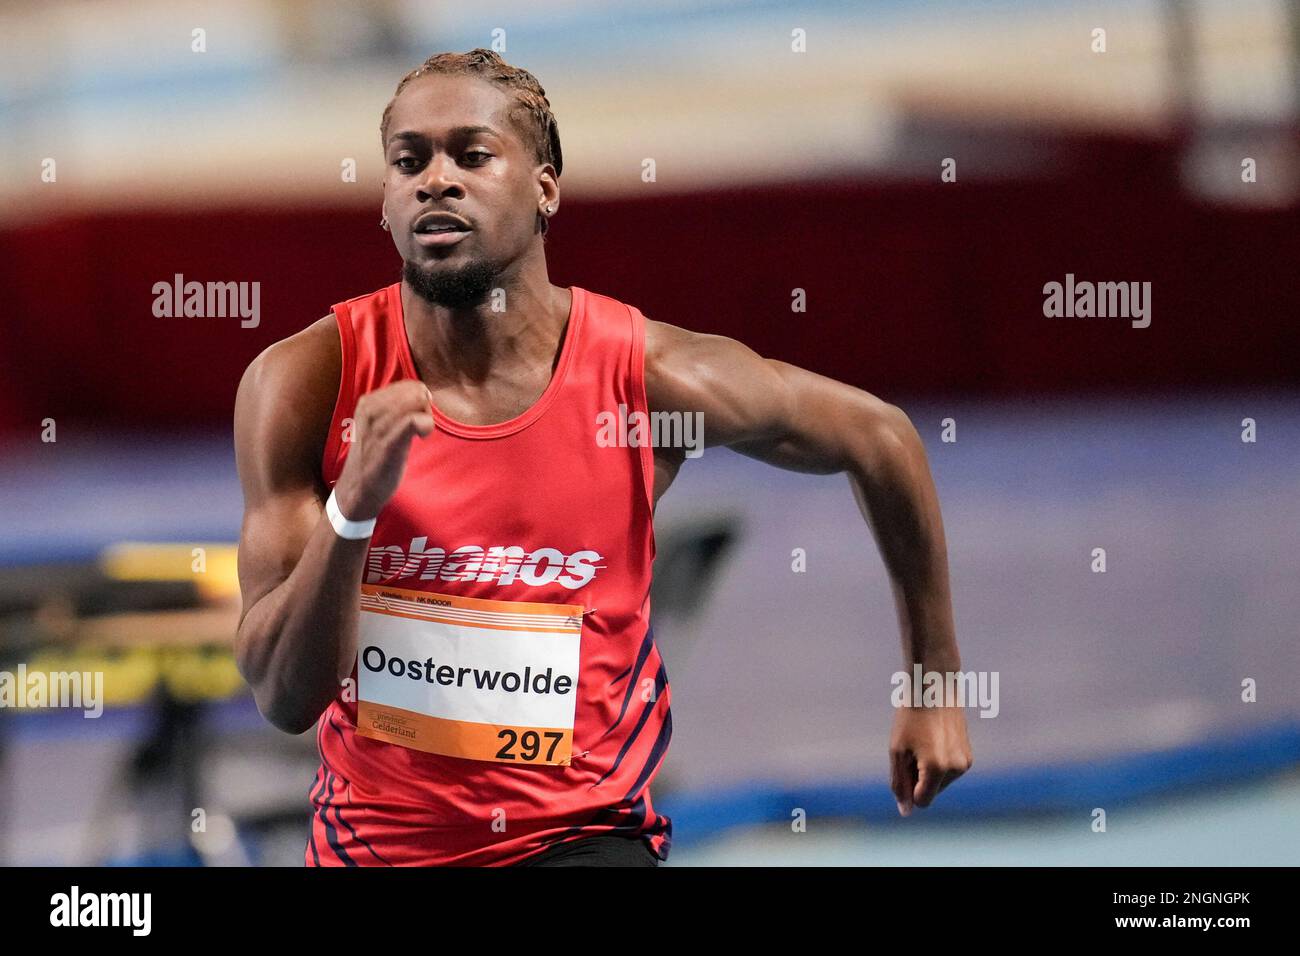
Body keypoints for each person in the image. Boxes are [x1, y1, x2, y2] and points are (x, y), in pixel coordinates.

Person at [233, 49, 971, 867]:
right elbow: (283, 696)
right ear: (384, 200)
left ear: (546, 187)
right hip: (374, 854)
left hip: (581, 840)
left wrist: (933, 684)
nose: (434, 181)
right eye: (408, 161)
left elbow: (881, 437)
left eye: (471, 155)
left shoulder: (651, 379)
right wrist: (355, 508)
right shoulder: (306, 383)